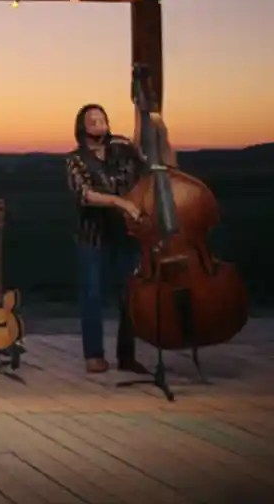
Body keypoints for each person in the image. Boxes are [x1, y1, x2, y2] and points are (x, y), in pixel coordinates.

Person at [64, 92, 175, 374]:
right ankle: (94, 355)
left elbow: (145, 156)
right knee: (92, 294)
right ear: (82, 127)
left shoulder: (122, 148)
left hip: (127, 233)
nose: (99, 122)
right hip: (92, 236)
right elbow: (85, 195)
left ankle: (127, 356)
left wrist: (148, 118)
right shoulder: (75, 160)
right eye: (92, 120)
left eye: (102, 118)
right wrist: (120, 202)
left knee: (130, 294)